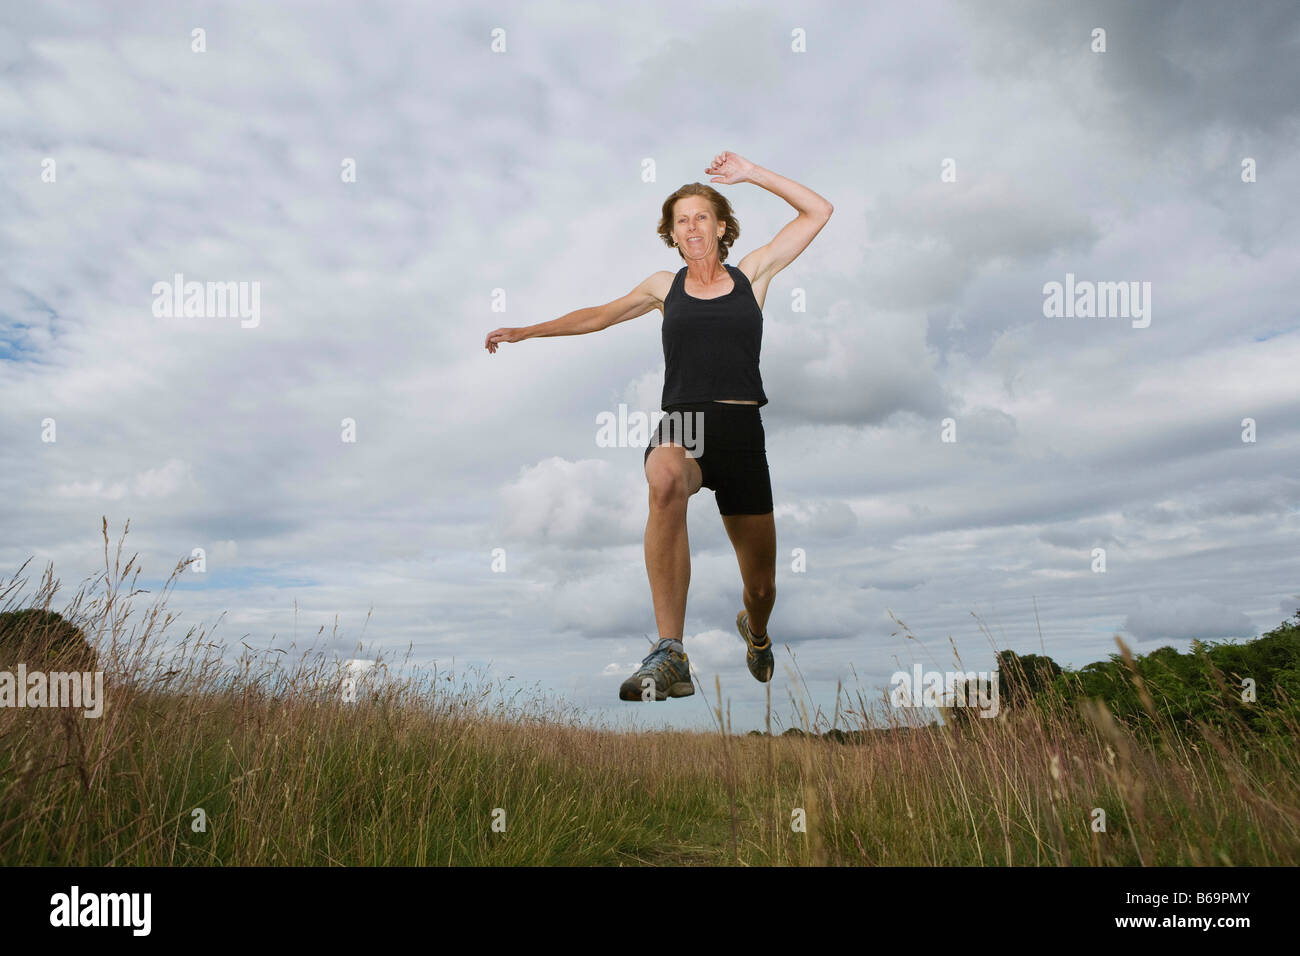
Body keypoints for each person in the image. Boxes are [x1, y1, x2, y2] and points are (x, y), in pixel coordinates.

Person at [485, 151, 832, 702]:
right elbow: (598, 315)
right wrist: (528, 330)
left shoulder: (754, 275)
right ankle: (671, 650)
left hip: (743, 432)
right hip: (685, 422)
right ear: (671, 234)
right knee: (664, 479)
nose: (691, 227)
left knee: (762, 585)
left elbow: (818, 211)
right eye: (680, 220)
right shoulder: (662, 287)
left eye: (701, 216)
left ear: (721, 226)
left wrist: (752, 174)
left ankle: (757, 630)